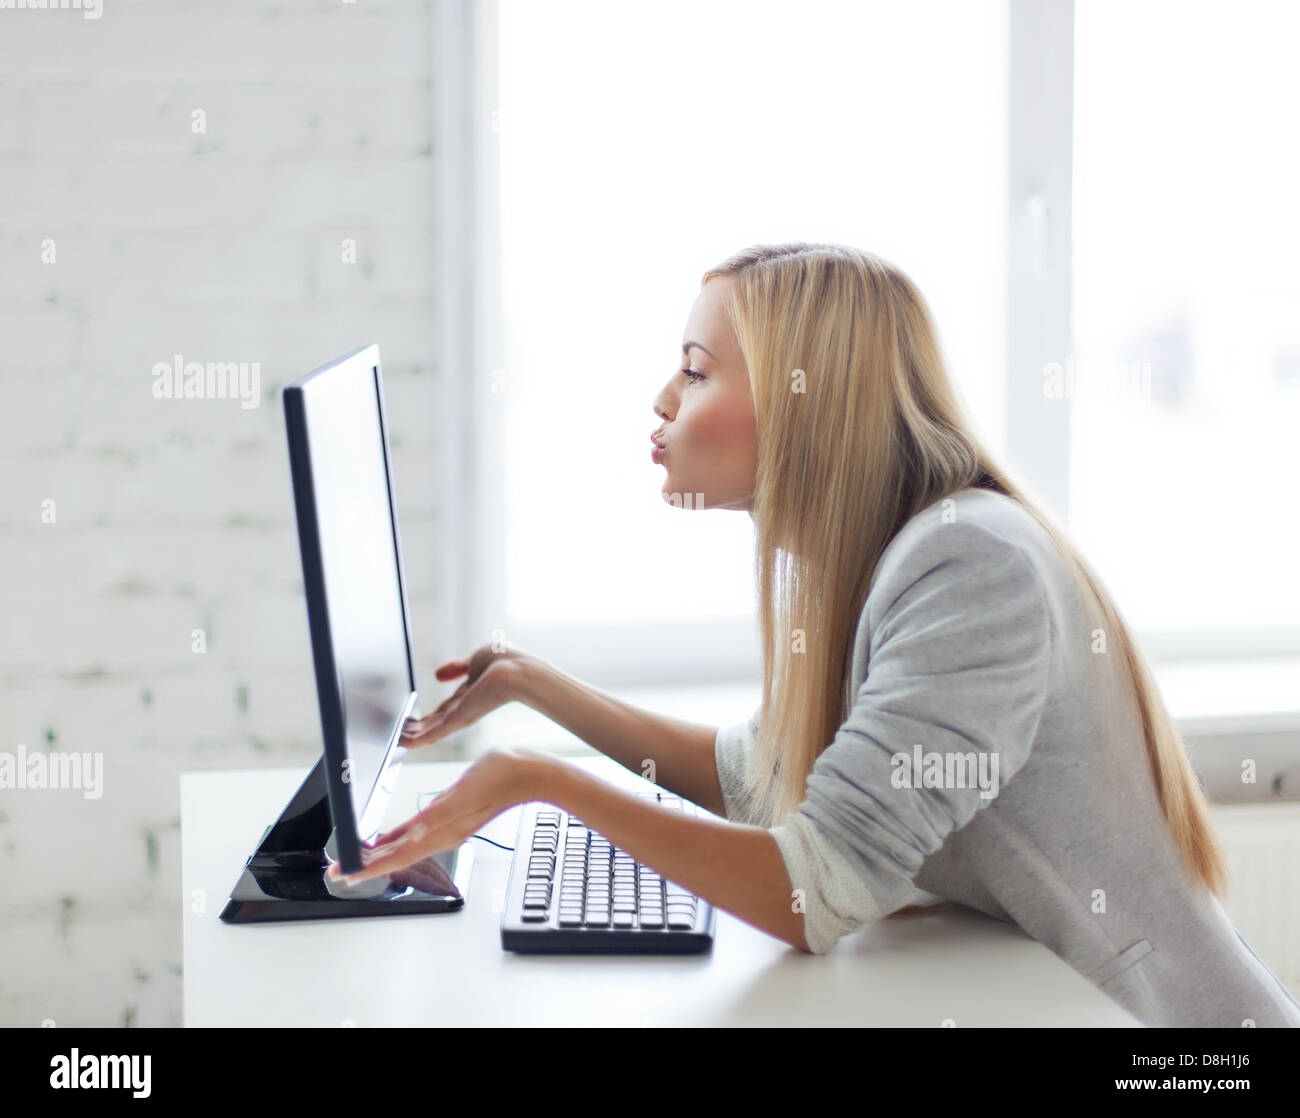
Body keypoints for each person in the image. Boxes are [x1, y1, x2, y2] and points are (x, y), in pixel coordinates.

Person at [331, 242, 1300, 1028]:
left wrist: (539, 782)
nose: (662, 399)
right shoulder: (889, 557)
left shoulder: (970, 566)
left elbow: (810, 892)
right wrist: (538, 689)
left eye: (696, 370)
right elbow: (758, 773)